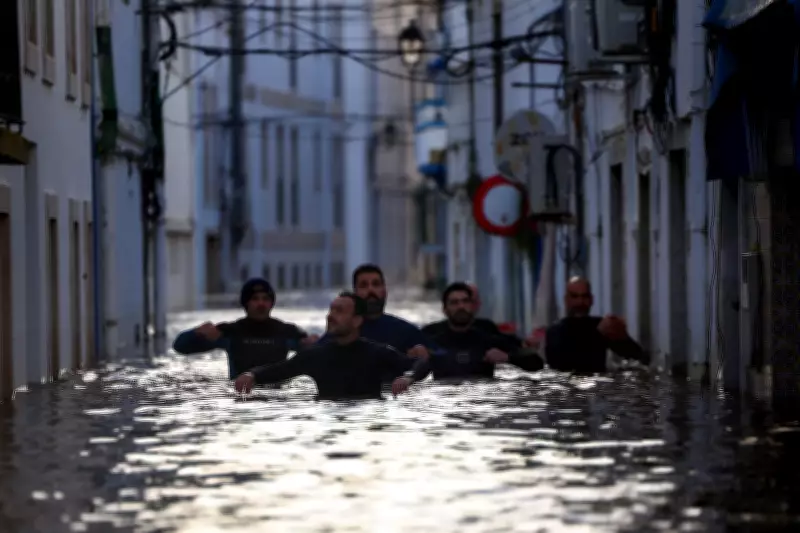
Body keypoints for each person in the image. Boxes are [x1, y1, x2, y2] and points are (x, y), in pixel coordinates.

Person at [234, 292, 430, 399]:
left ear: (356, 320)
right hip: (327, 422)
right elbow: (279, 369)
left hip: (369, 420)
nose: (330, 316)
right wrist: (252, 375)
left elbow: (420, 364)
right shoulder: (316, 356)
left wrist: (408, 378)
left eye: (339, 311)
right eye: (331, 310)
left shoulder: (376, 353)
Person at [172, 278, 319, 378]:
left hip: (277, 399)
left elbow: (318, 355)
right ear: (245, 303)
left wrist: (313, 343)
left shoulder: (288, 332)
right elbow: (179, 347)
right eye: (255, 299)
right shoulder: (229, 332)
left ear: (271, 303)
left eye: (265, 299)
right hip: (241, 396)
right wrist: (197, 333)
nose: (261, 304)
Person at [420, 282, 543, 380]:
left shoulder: (488, 337)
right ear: (445, 309)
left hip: (483, 400)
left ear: (473, 306)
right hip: (442, 401)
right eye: (454, 303)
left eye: (465, 301)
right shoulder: (431, 337)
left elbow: (537, 363)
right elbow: (404, 362)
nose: (461, 307)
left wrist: (508, 358)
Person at [317, 264, 431, 359]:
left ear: (385, 291)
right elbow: (312, 355)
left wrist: (426, 353)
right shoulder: (343, 332)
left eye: (376, 284)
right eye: (364, 285)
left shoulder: (405, 331)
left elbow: (442, 356)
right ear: (355, 293)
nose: (371, 290)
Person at [541, 277, 649, 373]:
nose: (580, 302)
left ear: (591, 300)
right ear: (566, 300)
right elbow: (564, 365)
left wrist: (623, 337)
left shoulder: (601, 326)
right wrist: (598, 335)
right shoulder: (555, 331)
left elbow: (641, 360)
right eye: (574, 297)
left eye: (585, 296)